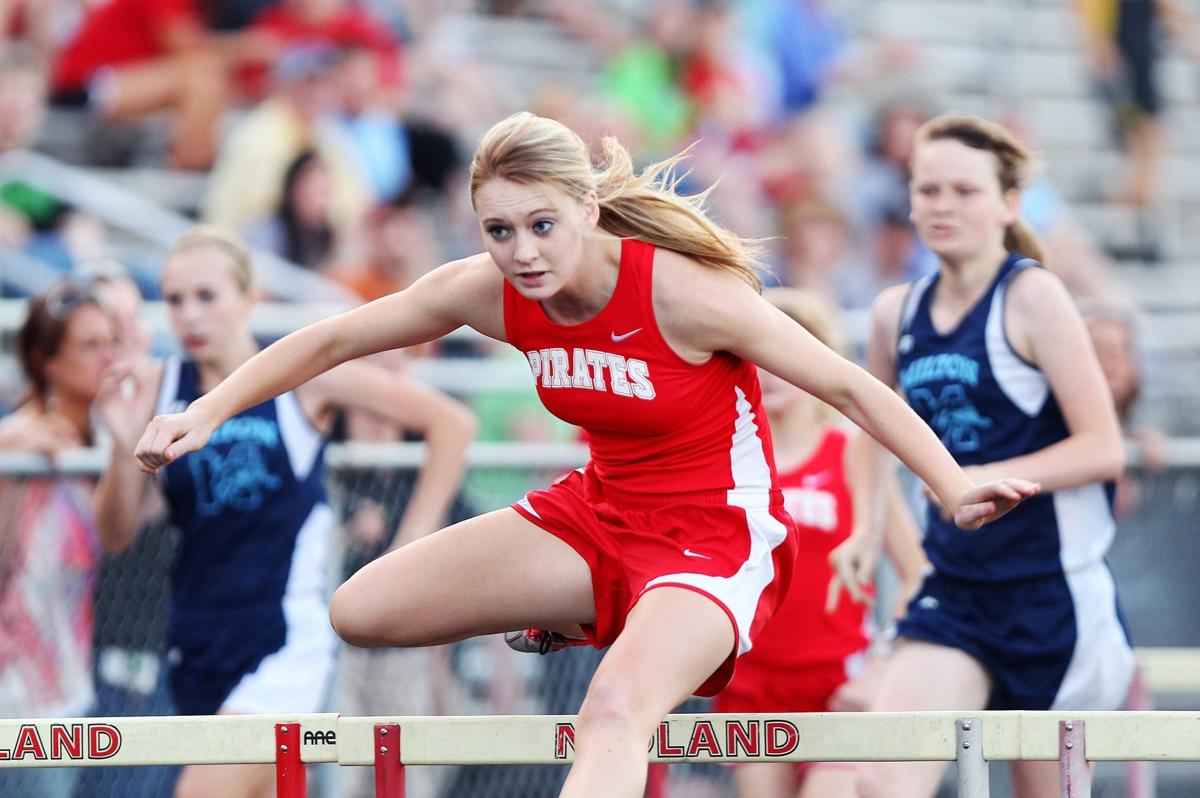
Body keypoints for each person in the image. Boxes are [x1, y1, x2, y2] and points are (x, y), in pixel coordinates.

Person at [132, 112, 1037, 798]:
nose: (521, 254)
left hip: (715, 537)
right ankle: (595, 610)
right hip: (597, 513)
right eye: (498, 231)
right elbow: (334, 340)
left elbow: (850, 386)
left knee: (612, 709)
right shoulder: (489, 292)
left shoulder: (684, 293)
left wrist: (952, 487)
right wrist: (208, 409)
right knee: (361, 611)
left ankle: (620, 624)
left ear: (588, 210)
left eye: (540, 227)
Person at [95, 227, 475, 798]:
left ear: (249, 300)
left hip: (283, 641)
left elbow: (451, 424)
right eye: (175, 299)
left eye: (207, 296)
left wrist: (409, 545)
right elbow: (117, 534)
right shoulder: (157, 387)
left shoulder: (299, 379)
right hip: (194, 638)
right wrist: (124, 449)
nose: (190, 315)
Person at [838, 113, 1134, 798]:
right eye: (927, 189)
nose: (942, 206)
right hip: (957, 592)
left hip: (1049, 594)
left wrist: (973, 478)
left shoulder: (1033, 296)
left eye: (964, 191)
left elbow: (1103, 445)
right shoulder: (895, 313)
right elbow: (870, 430)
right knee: (879, 784)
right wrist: (864, 528)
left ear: (1008, 204)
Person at [710, 288, 929, 798]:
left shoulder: (851, 452)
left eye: (785, 355)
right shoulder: (725, 462)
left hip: (840, 683)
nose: (769, 371)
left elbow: (918, 576)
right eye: (755, 357)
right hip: (751, 684)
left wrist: (880, 671)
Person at [0, 278, 116, 798]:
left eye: (111, 341)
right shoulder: (23, 441)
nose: (107, 357)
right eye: (91, 345)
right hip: (16, 693)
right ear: (49, 361)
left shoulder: (102, 439)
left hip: (69, 688)